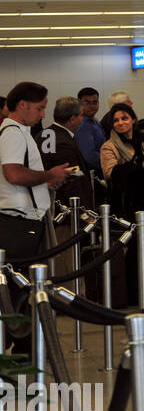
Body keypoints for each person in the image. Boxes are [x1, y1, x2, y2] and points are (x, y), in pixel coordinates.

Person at [1, 82, 71, 358]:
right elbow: (13, 174)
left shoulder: (19, 132)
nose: (43, 115)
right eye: (40, 108)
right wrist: (49, 175)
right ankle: (21, 350)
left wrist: (46, 181)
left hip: (22, 221)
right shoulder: (13, 133)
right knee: (19, 292)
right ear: (23, 105)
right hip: (19, 224)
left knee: (21, 292)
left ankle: (25, 348)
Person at [100, 103, 144, 307]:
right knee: (126, 250)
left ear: (133, 119)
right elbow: (109, 173)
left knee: (140, 250)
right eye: (116, 120)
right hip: (122, 203)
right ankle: (128, 295)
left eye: (124, 118)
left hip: (143, 201)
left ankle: (140, 294)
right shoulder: (109, 146)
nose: (120, 123)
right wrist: (137, 167)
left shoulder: (142, 142)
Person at [41, 96, 93, 207]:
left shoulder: (43, 134)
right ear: (72, 119)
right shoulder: (63, 144)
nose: (82, 119)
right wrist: (81, 211)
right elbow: (72, 182)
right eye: (81, 115)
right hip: (65, 208)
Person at [74, 87, 105, 175]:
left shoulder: (95, 121)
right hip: (93, 173)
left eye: (95, 102)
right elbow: (89, 156)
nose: (92, 106)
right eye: (87, 103)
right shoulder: (82, 125)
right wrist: (109, 162)